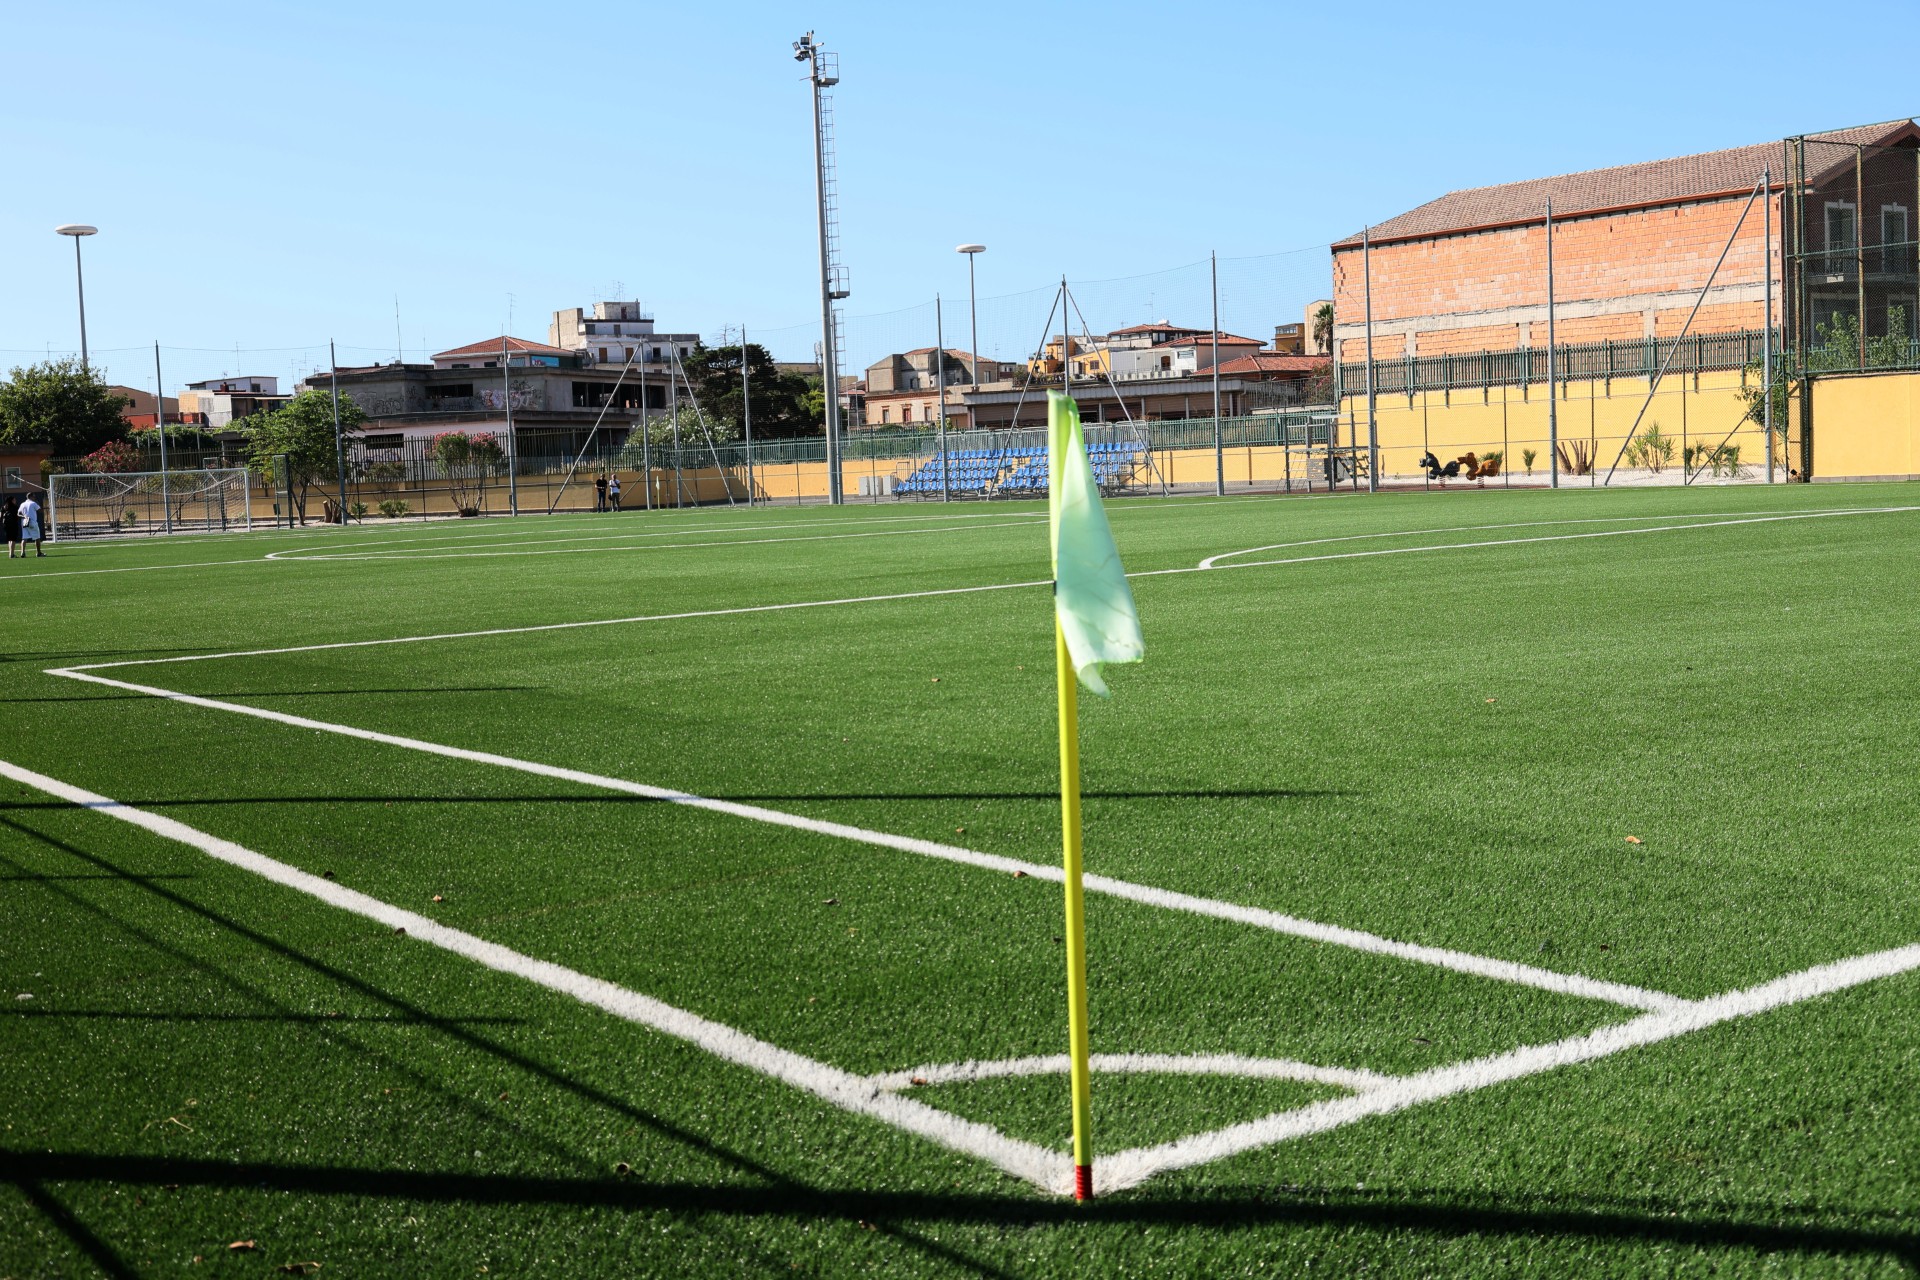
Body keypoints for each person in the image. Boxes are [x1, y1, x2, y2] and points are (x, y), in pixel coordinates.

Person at [17, 492, 44, 557]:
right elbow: (40, 511)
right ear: (30, 496)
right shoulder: (33, 503)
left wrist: (24, 516)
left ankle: (22, 552)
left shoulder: (22, 504)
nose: (34, 498)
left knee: (24, 538)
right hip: (32, 522)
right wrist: (38, 504)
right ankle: (38, 553)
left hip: (24, 522)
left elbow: (18, 514)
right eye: (34, 496)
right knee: (37, 538)